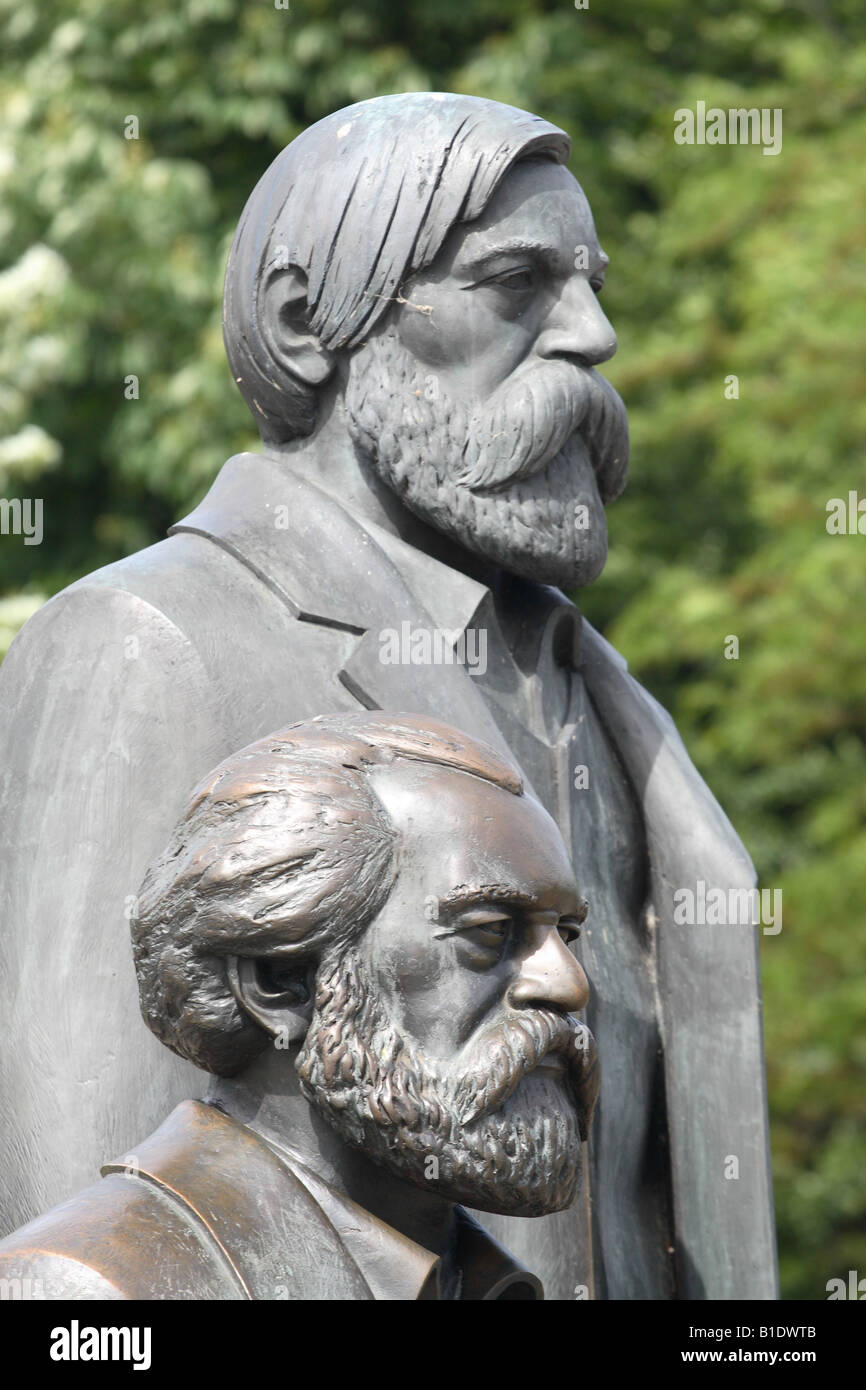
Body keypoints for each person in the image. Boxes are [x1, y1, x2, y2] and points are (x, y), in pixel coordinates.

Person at [0, 92, 775, 1298]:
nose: (591, 334)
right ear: (311, 323)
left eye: (590, 283)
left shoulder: (597, 694)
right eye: (516, 282)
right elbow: (86, 1210)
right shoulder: (147, 640)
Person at [0, 713, 599, 1300]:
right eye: (490, 930)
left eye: (566, 933)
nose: (569, 985)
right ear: (280, 981)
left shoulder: (482, 1281)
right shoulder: (89, 1292)